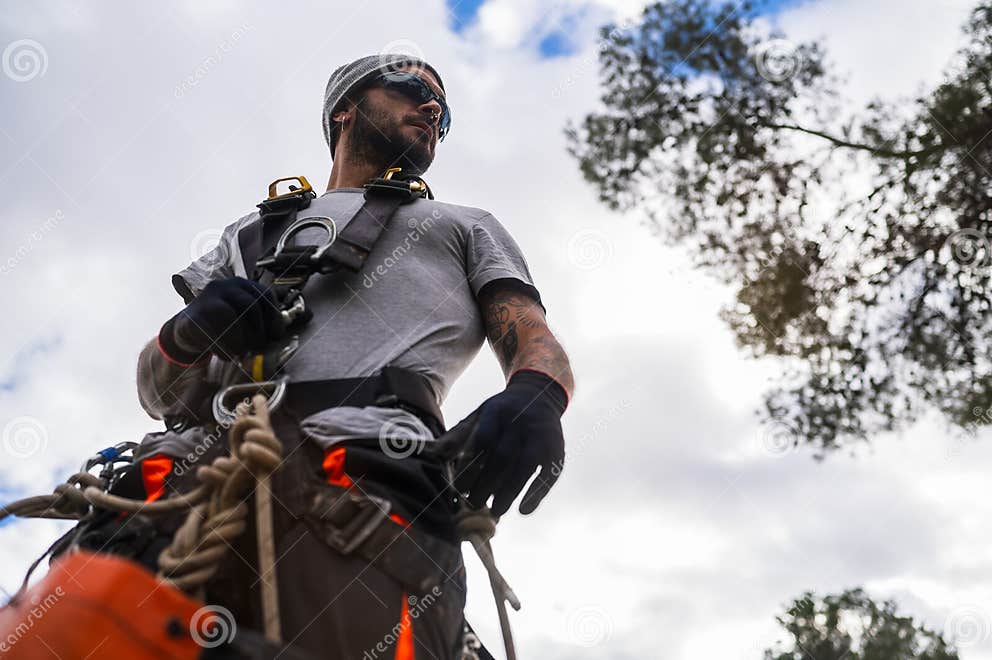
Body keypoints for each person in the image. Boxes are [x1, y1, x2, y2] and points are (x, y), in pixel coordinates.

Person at [135, 53, 574, 659]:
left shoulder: (463, 225)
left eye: (442, 113)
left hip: (371, 476)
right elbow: (159, 394)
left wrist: (537, 396)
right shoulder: (246, 236)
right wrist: (191, 330)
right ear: (343, 108)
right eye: (413, 88)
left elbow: (531, 335)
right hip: (201, 478)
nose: (432, 108)